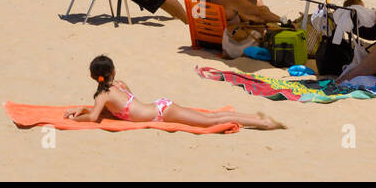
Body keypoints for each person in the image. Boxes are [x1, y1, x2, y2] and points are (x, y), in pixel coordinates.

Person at [65, 55, 284, 129]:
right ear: (113, 71)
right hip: (160, 106)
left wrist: (77, 119)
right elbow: (104, 110)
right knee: (210, 116)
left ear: (94, 77)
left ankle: (261, 122)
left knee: (209, 120)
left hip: (161, 113)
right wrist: (81, 109)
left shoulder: (102, 95)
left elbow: (95, 117)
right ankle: (255, 117)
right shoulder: (119, 84)